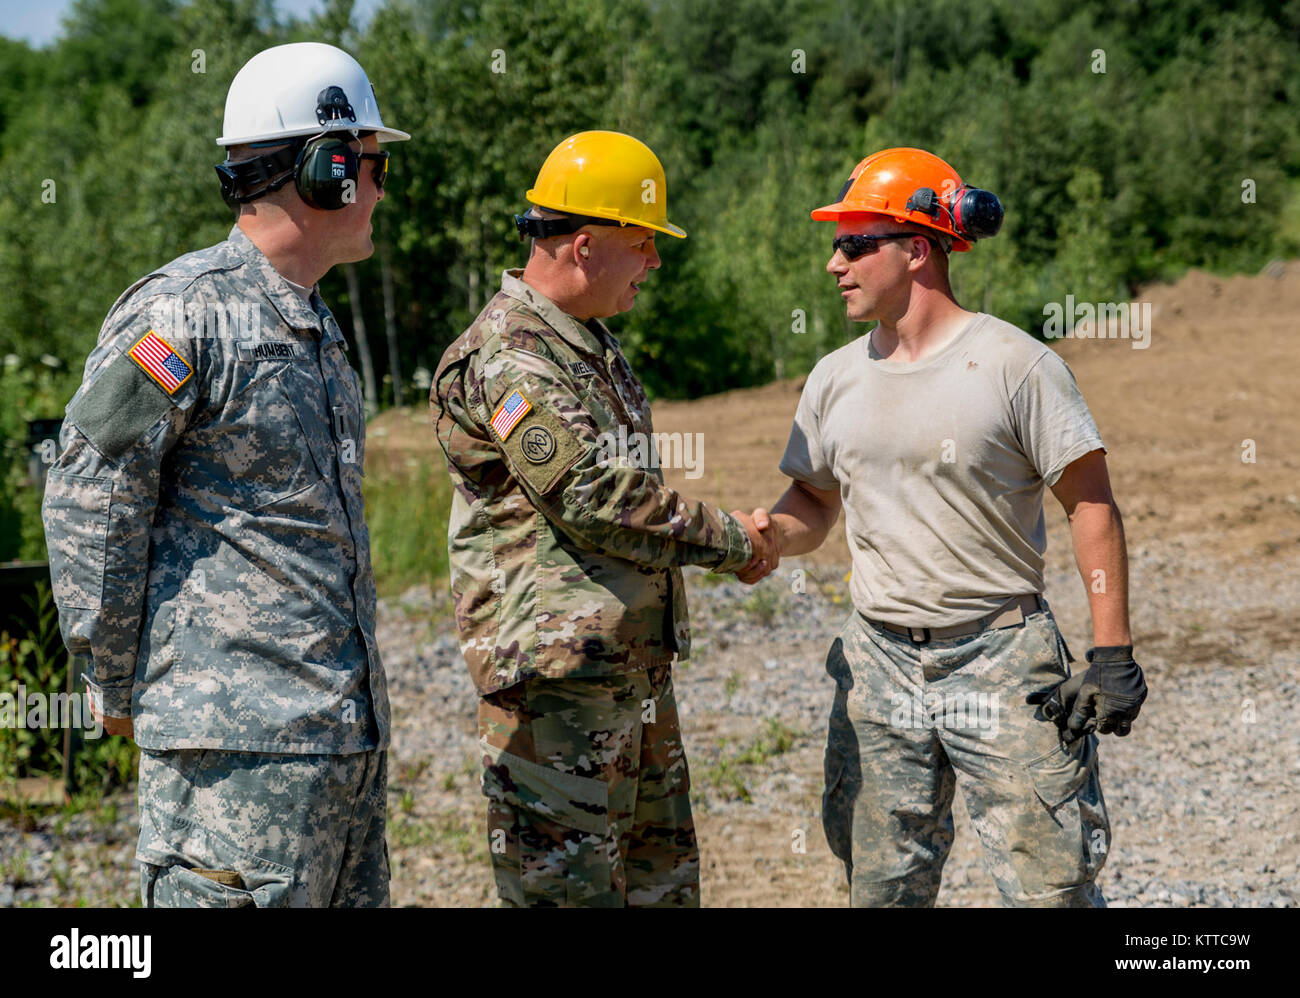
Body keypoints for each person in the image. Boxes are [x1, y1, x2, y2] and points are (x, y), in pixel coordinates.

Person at [40, 42, 408, 908]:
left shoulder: (313, 321)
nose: (382, 188)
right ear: (324, 169)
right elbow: (92, 488)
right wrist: (111, 675)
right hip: (232, 758)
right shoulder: (184, 314)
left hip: (337, 746)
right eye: (373, 164)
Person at [741, 147, 1146, 907]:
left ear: (916, 249)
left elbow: (1091, 503)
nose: (835, 264)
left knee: (1050, 887)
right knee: (880, 887)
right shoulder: (834, 376)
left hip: (1001, 658)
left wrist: (1112, 652)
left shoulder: (1015, 366)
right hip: (878, 661)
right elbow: (815, 503)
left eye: (854, 244)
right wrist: (762, 537)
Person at [431, 130, 777, 907]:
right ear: (585, 245)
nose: (655, 261)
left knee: (660, 890)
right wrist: (733, 541)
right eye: (643, 242)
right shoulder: (509, 354)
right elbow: (587, 493)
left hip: (628, 675)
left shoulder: (588, 344)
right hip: (558, 693)